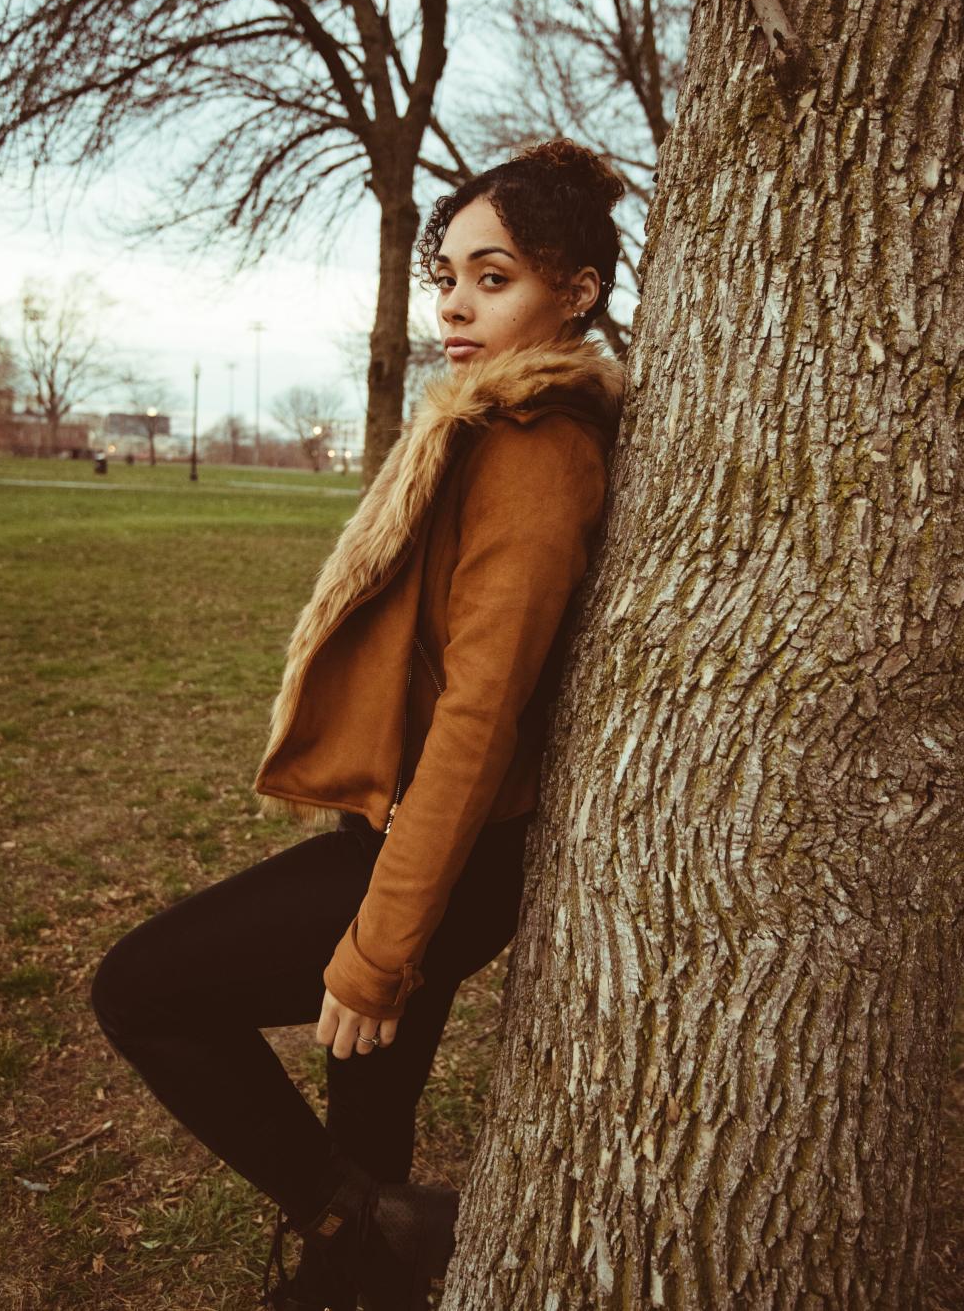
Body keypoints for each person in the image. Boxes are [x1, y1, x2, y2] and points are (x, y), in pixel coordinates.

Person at [90, 137, 626, 1311]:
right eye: (447, 276)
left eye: (495, 277)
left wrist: (383, 946)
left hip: (446, 858)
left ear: (574, 291)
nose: (453, 304)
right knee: (369, 1116)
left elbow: (483, 710)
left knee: (139, 990)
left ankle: (366, 1222)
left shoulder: (539, 447)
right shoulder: (493, 433)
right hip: (425, 841)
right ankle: (357, 1262)